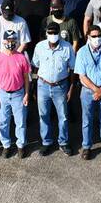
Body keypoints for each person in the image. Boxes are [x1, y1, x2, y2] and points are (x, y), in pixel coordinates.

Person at [31, 22, 75, 156]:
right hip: (42, 85)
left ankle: (63, 142)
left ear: (59, 32)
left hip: (60, 86)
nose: (53, 35)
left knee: (63, 116)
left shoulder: (67, 47)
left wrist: (71, 87)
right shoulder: (39, 46)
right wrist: (34, 87)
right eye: (50, 32)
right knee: (43, 115)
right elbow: (35, 67)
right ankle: (46, 142)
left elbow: (73, 69)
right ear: (46, 33)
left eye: (55, 32)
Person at [0, 29, 33, 158]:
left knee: (20, 122)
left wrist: (26, 94)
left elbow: (26, 77)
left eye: (13, 40)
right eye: (8, 40)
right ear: (4, 41)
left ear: (17, 41)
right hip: (3, 94)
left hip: (18, 94)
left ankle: (20, 145)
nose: (11, 43)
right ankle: (6, 145)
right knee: (3, 122)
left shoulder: (21, 57)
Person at [75, 25, 101, 159]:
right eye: (94, 36)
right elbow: (81, 76)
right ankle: (86, 146)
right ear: (88, 37)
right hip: (87, 91)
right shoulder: (81, 52)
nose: (97, 38)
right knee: (87, 120)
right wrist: (96, 90)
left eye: (99, 36)